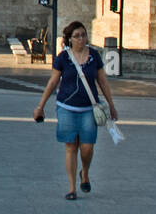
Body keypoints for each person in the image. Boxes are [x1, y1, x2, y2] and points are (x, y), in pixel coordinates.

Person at [32, 20, 119, 200]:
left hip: (89, 108)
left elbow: (102, 82)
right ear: (69, 39)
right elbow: (53, 82)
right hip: (66, 107)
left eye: (83, 35)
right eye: (77, 36)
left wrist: (111, 105)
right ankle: (72, 188)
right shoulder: (63, 57)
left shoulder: (94, 56)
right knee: (71, 147)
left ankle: (84, 172)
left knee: (87, 148)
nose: (81, 39)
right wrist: (40, 106)